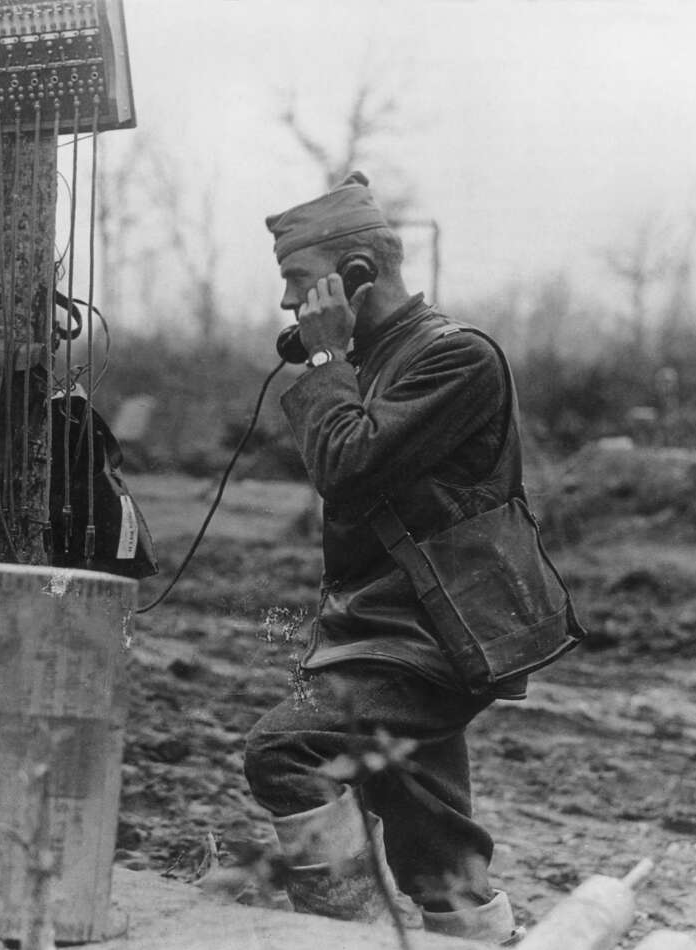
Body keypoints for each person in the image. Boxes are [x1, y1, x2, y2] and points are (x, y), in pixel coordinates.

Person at [244, 171, 538, 944]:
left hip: (431, 636)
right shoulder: (375, 363)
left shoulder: (457, 361)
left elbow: (347, 464)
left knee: (285, 749)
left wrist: (322, 363)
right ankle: (482, 937)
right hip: (383, 628)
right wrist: (335, 364)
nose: (286, 304)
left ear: (357, 275)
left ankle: (347, 938)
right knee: (428, 830)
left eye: (297, 281)